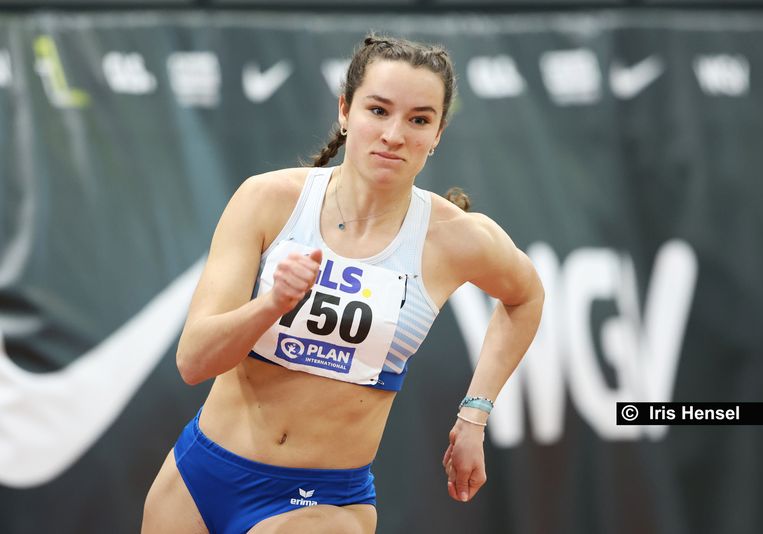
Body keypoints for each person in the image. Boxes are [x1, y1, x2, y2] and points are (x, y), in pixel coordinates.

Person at [142, 34, 544, 534]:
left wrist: (475, 414)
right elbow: (194, 362)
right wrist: (272, 304)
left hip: (322, 503)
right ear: (345, 110)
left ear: (438, 132)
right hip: (199, 475)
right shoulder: (267, 200)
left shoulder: (457, 238)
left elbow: (525, 296)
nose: (395, 135)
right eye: (378, 110)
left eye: (419, 119)